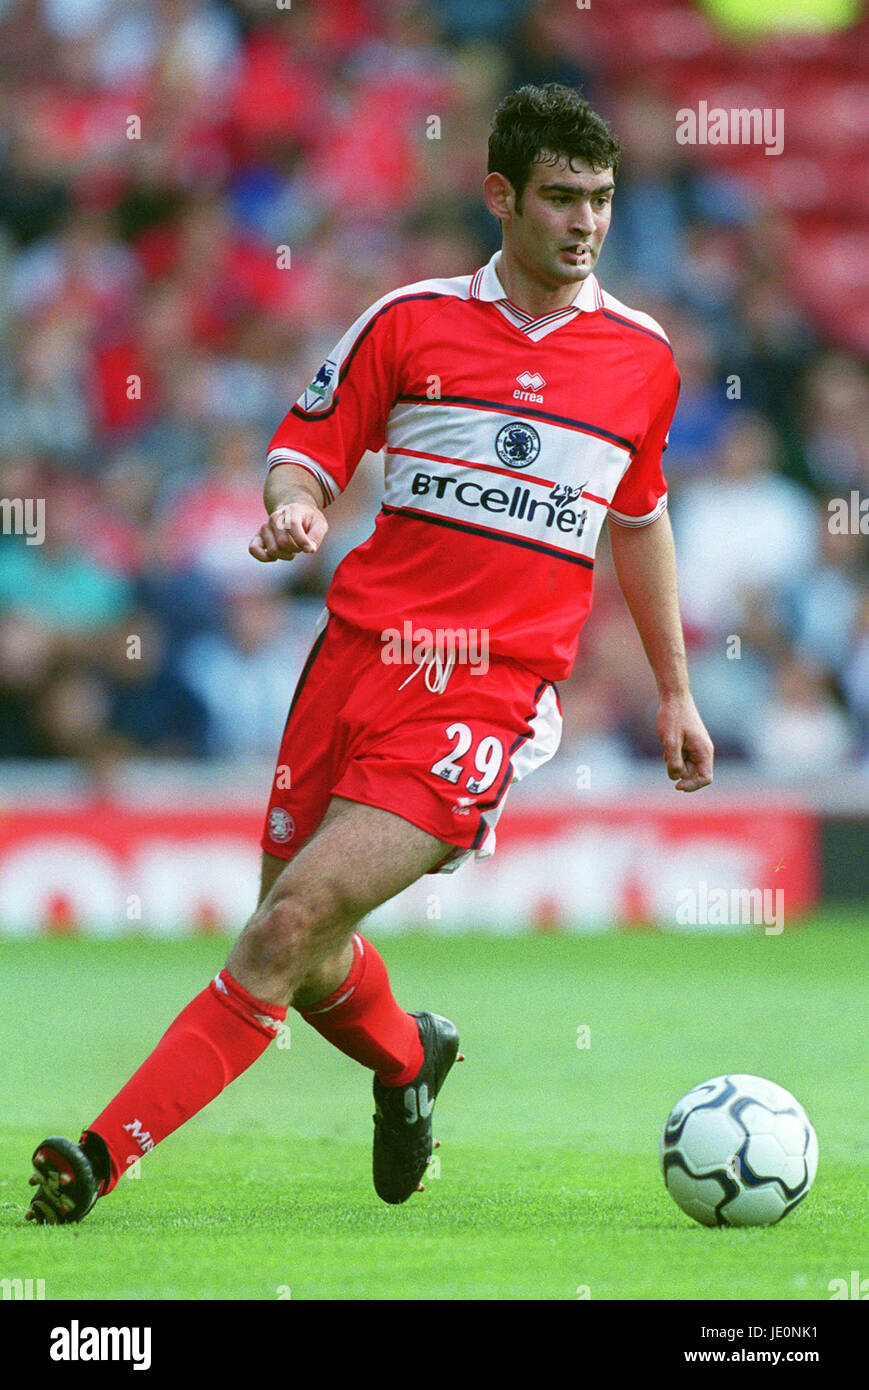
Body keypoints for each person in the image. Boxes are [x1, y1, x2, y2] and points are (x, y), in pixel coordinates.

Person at [26, 83, 713, 1225]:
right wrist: (296, 508)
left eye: (599, 198)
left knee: (281, 928)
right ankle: (408, 1061)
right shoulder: (409, 322)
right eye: (559, 197)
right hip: (352, 661)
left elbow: (635, 522)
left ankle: (97, 1157)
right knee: (302, 938)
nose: (584, 221)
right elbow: (303, 450)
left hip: (484, 691)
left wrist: (674, 690)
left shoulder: (640, 359)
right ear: (500, 195)